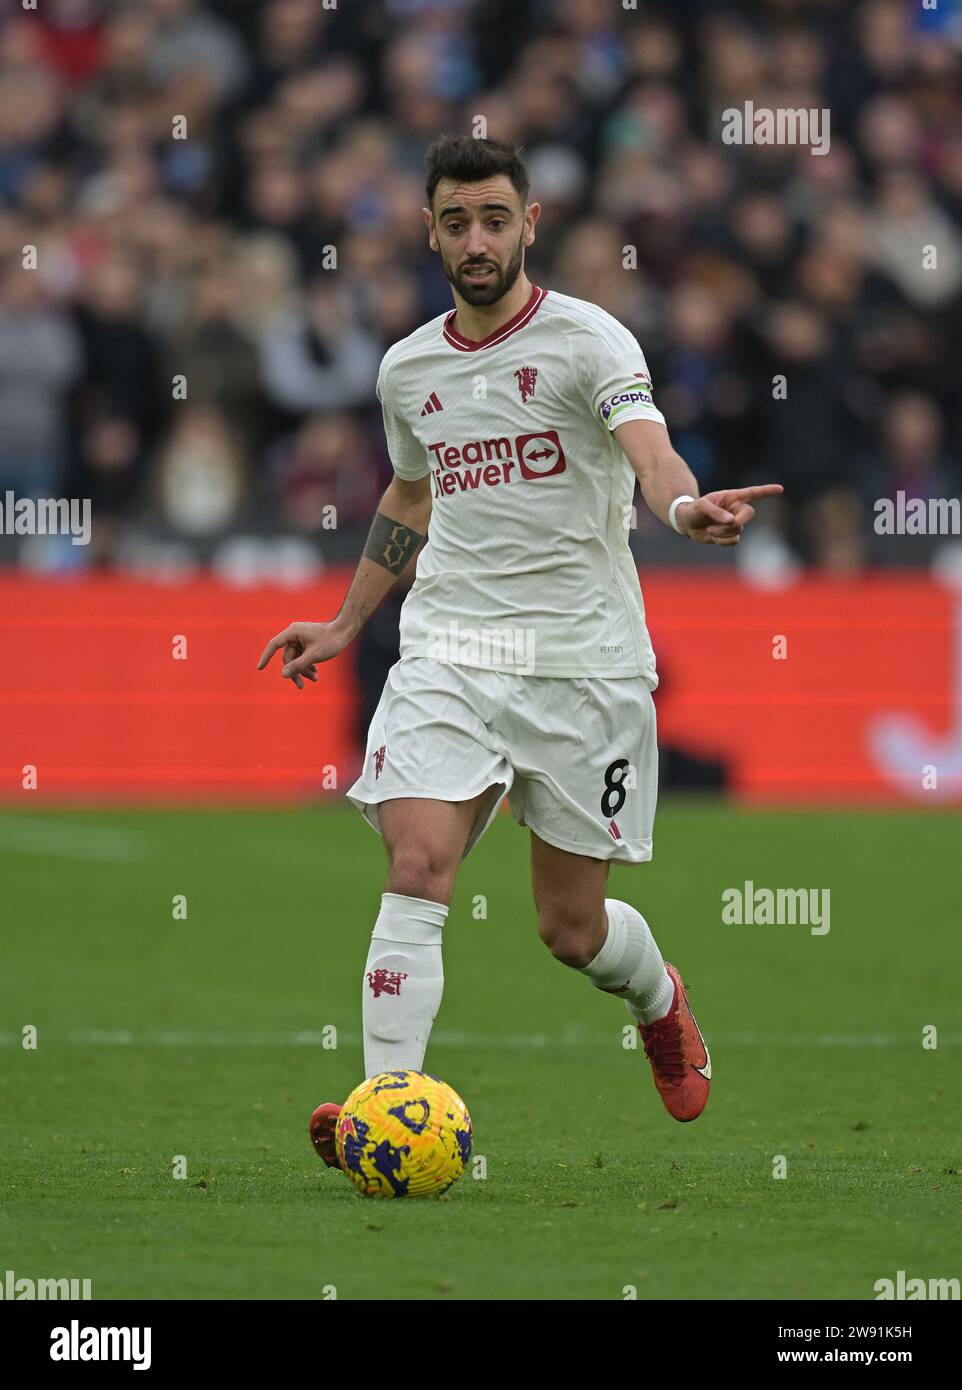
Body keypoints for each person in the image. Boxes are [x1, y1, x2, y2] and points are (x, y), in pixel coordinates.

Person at [258, 136, 782, 1173]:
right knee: (416, 863)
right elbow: (408, 496)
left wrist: (681, 506)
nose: (476, 238)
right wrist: (348, 620)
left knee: (569, 928)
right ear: (429, 230)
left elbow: (649, 453)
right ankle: (382, 1104)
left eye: (494, 218)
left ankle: (659, 998)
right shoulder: (407, 368)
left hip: (580, 664)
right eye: (455, 221)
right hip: (448, 648)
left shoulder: (590, 342)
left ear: (528, 223)